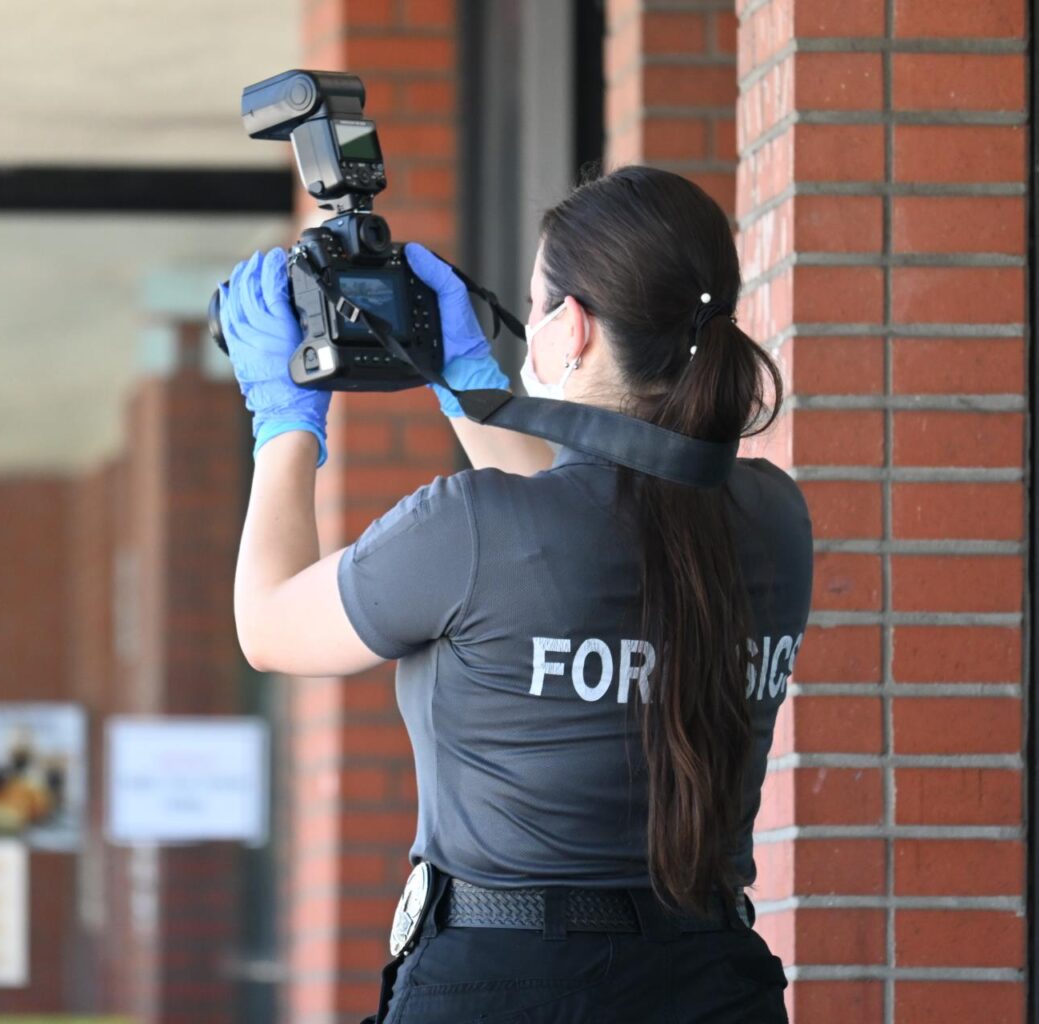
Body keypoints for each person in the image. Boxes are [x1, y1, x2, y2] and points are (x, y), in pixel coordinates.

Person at [218, 166, 812, 1022]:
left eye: (533, 307)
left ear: (570, 327)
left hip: (502, 987)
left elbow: (268, 626)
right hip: (716, 987)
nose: (526, 327)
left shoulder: (472, 526)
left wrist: (284, 420)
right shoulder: (775, 519)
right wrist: (468, 385)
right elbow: (574, 525)